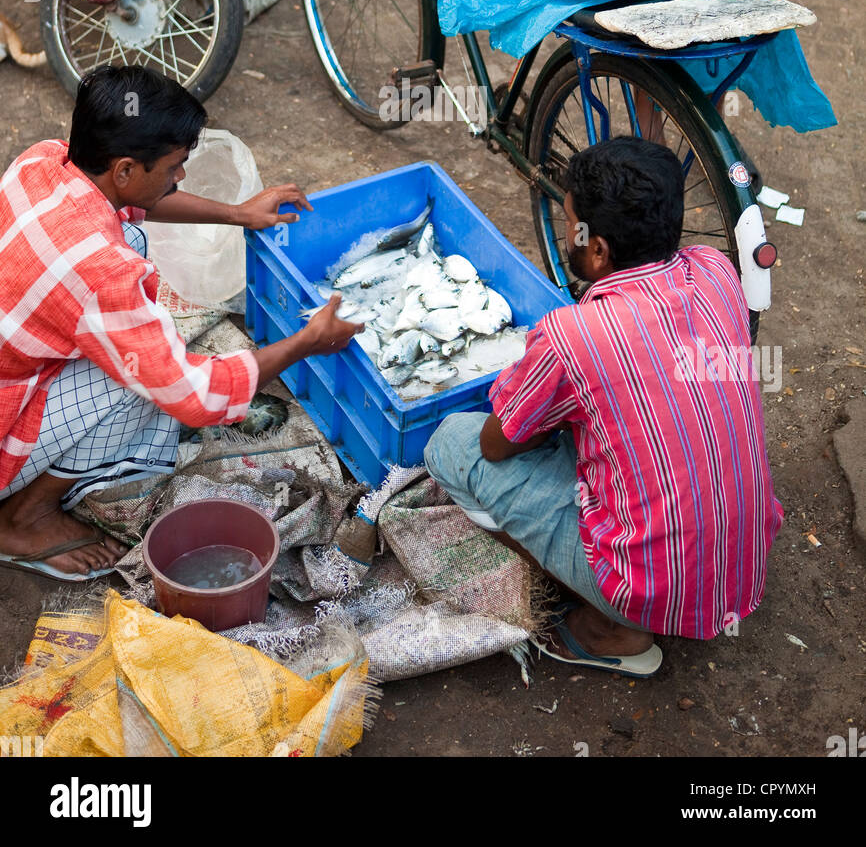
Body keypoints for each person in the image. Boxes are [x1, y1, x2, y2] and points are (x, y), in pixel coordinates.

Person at [424, 138, 783, 677]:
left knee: (449, 442)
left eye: (573, 225)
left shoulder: (573, 336)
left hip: (650, 586)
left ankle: (612, 626)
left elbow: (494, 445)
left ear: (598, 252)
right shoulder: (716, 273)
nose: (569, 233)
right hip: (743, 561)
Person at [0, 65, 361, 580]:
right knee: (137, 379)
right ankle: (21, 518)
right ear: (124, 169)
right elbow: (191, 394)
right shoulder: (102, 274)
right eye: (175, 166)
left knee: (135, 252)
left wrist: (238, 213)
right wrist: (306, 342)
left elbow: (133, 204)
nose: (181, 176)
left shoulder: (44, 160)